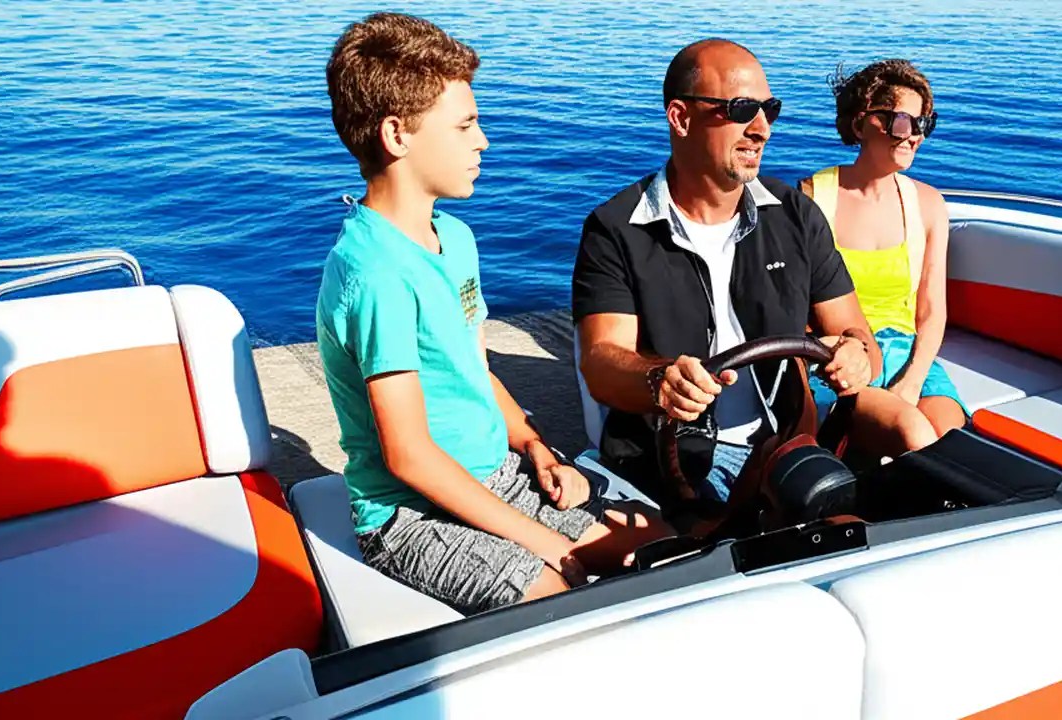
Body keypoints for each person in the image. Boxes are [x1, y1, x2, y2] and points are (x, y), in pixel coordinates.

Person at [317, 12, 668, 616]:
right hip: (410, 514)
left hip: (496, 473)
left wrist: (534, 446)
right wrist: (545, 543)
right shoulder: (374, 274)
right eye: (465, 125)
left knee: (663, 549)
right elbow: (408, 456)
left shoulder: (453, 238)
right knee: (560, 598)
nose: (483, 140)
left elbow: (475, 370)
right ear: (397, 136)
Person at [573, 38, 881, 510]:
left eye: (769, 109)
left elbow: (858, 337)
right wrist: (661, 382)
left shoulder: (797, 217)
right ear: (680, 118)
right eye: (741, 109)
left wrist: (857, 356)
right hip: (673, 459)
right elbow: (601, 362)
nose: (762, 129)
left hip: (789, 445)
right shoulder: (616, 229)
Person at [799, 59, 968, 455]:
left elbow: (931, 313)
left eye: (923, 124)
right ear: (860, 125)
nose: (914, 136)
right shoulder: (811, 199)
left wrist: (911, 381)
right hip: (838, 362)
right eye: (901, 122)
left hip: (909, 356)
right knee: (912, 433)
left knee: (952, 445)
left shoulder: (928, 205)